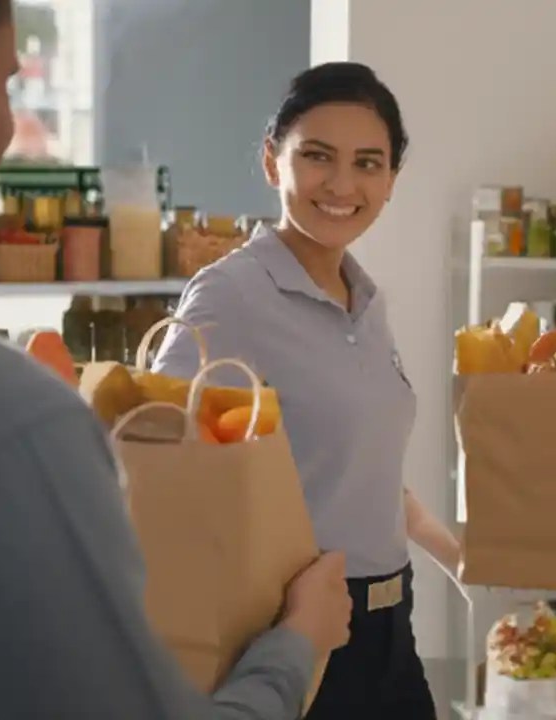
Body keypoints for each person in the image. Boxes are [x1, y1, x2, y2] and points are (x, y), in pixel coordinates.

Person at [0, 3, 352, 718]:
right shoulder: (9, 434)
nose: (6, 127)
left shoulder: (370, 304)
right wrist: (294, 643)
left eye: (368, 162)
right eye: (4, 83)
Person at [153, 62, 460, 719]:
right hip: (295, 633)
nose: (342, 184)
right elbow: (159, 459)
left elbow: (352, 467)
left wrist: (451, 550)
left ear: (391, 180)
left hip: (390, 622)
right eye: (317, 157)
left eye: (368, 163)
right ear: (273, 162)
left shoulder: (366, 301)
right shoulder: (232, 295)